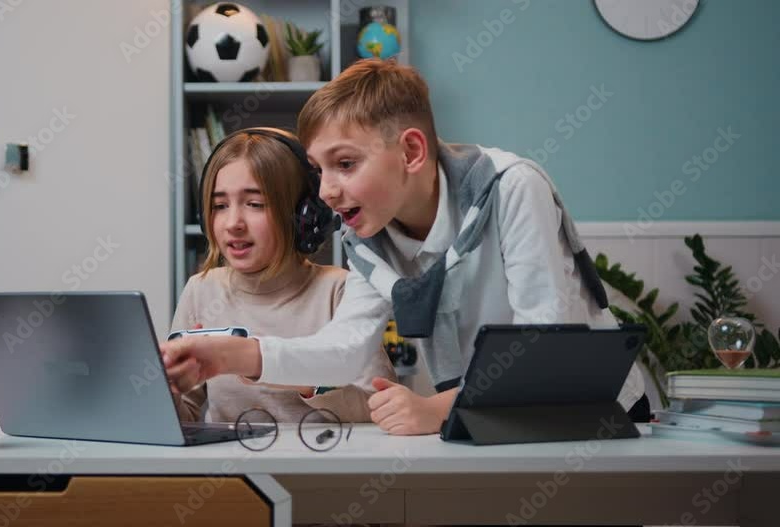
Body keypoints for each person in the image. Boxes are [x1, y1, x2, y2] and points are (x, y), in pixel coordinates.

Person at [163, 60, 648, 435]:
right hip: (490, 418)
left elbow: (542, 342)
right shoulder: (370, 237)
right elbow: (345, 350)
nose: (326, 191)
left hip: (592, 408)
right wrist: (232, 355)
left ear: (412, 152)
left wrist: (436, 409)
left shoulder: (512, 188)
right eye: (319, 170)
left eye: (345, 164)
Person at [170, 127, 395, 424]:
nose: (233, 223)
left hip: (315, 465)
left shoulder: (339, 291)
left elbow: (378, 408)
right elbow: (181, 416)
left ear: (303, 215)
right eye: (219, 206)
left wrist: (293, 374)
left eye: (255, 204)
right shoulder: (200, 290)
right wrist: (166, 392)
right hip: (230, 470)